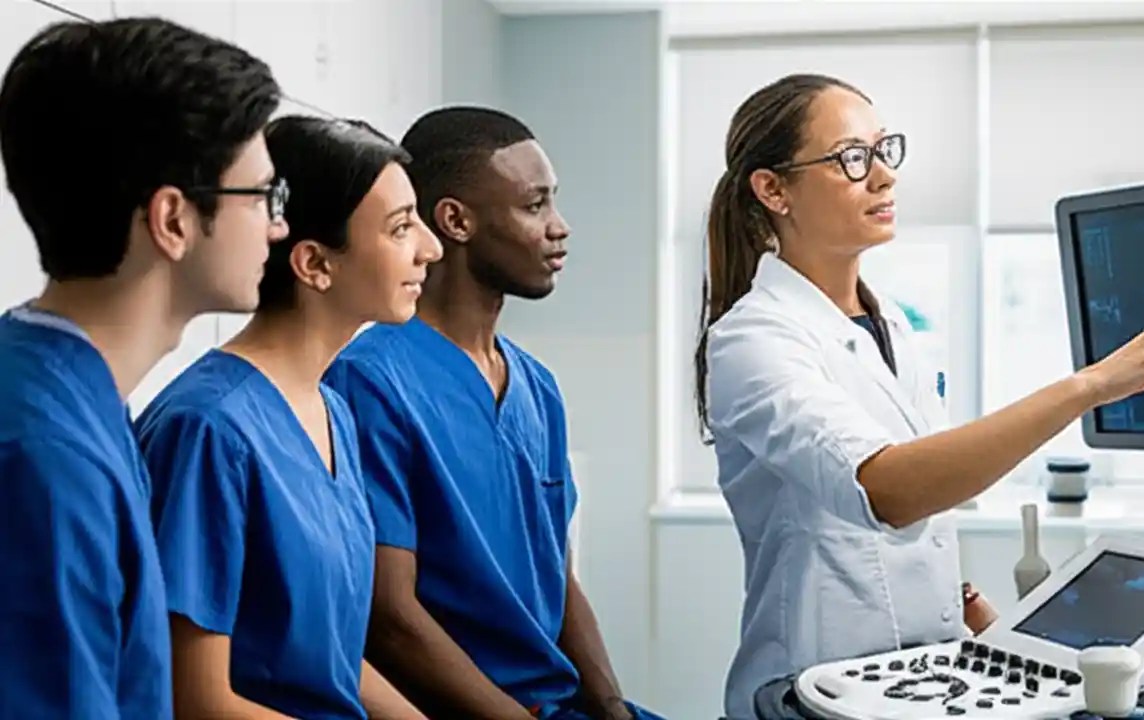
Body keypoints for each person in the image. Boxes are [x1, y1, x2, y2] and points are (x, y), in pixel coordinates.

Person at [694, 73, 1144, 719]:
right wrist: (1092, 384)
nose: (883, 177)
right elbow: (888, 489)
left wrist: (975, 616)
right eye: (851, 158)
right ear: (773, 189)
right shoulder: (751, 340)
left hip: (924, 670)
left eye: (884, 150)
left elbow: (922, 509)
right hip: (815, 688)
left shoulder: (895, 325)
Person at [323, 107, 663, 720]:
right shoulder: (369, 380)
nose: (559, 228)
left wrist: (611, 706)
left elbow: (558, 577)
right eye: (535, 206)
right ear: (455, 221)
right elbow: (390, 619)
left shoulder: (537, 387)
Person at [0, 17, 283, 719]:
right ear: (174, 220)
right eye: (265, 197)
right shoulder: (47, 461)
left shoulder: (66, 391)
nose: (279, 225)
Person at [134, 116, 439, 719]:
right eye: (402, 227)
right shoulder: (209, 430)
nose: (430, 247)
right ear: (315, 264)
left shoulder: (330, 410)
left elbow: (328, 656)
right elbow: (195, 698)